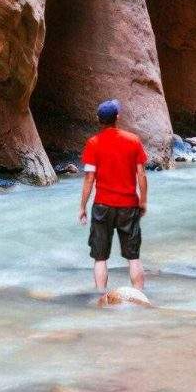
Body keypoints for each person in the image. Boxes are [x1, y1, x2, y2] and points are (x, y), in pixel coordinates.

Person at [77, 98, 148, 292]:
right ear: (117, 117)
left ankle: (101, 297)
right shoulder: (133, 140)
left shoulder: (93, 143)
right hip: (128, 205)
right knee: (133, 256)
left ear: (98, 119)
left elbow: (89, 179)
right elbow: (141, 174)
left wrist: (83, 207)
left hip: (102, 206)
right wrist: (143, 201)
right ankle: (139, 297)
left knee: (100, 257)